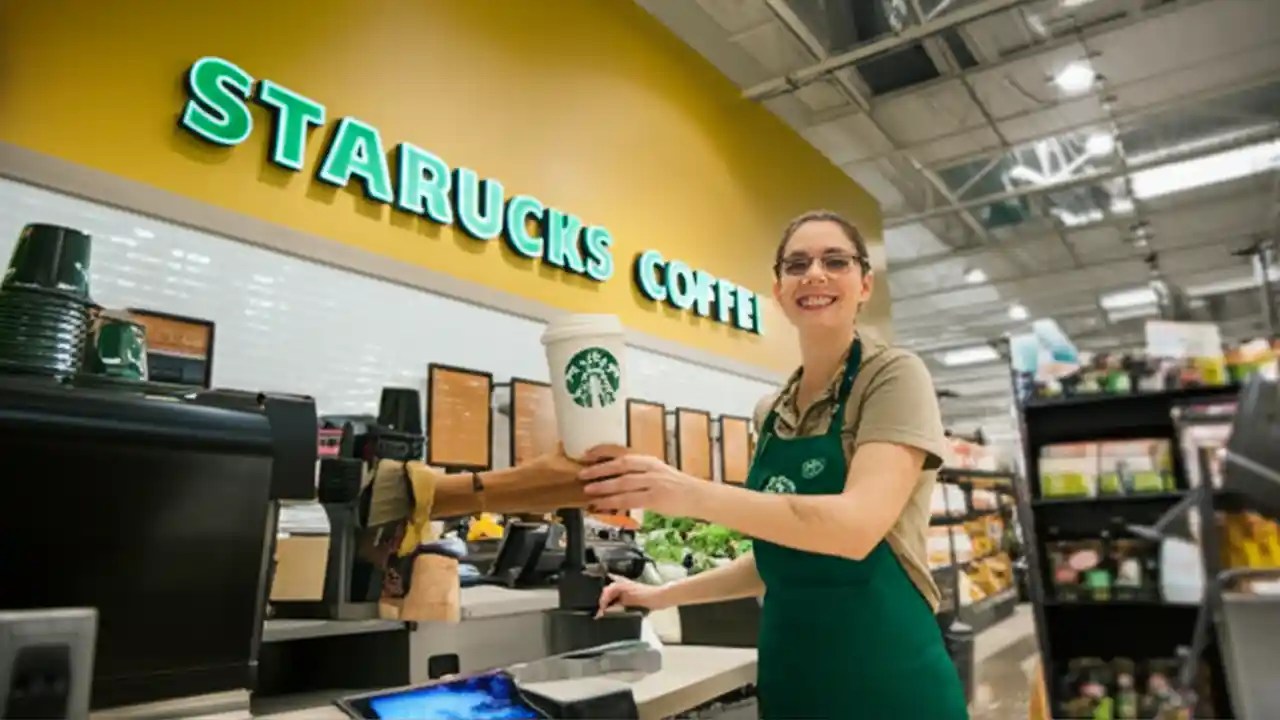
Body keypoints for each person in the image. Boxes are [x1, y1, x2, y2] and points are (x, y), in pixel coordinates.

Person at [580, 210, 969, 719]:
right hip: (793, 675)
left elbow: (855, 530)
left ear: (865, 283)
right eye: (797, 264)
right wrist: (661, 595)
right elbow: (776, 560)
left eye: (836, 261)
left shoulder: (892, 377)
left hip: (887, 675)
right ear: (779, 290)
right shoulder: (771, 411)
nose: (815, 274)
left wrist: (689, 492)